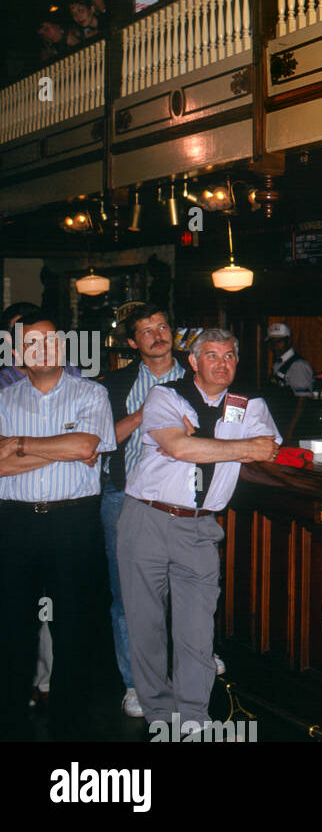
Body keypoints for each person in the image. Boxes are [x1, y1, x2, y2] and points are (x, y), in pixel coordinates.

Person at [117, 326, 279, 730]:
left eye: (229, 356)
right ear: (193, 361)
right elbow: (179, 447)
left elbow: (269, 449)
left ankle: (193, 715)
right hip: (147, 518)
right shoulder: (165, 395)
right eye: (212, 355)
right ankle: (158, 712)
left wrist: (206, 442)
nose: (222, 364)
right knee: (145, 623)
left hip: (201, 527)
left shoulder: (249, 403)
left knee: (197, 628)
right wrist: (239, 447)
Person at [0, 312, 116, 740]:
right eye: (32, 343)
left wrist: (21, 446)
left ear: (63, 347)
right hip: (13, 524)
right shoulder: (4, 400)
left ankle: (71, 725)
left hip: (74, 522)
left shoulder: (92, 394)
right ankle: (10, 720)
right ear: (16, 353)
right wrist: (62, 449)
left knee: (75, 628)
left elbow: (87, 445)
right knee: (12, 627)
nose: (43, 348)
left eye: (50, 341)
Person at [102, 303, 187, 719]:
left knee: (185, 591)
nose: (158, 334)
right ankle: (136, 683)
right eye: (147, 330)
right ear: (133, 343)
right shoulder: (115, 385)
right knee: (127, 598)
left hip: (183, 500)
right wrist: (147, 412)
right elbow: (103, 442)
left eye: (163, 326)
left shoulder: (196, 378)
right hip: (124, 497)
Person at [267, 321, 315, 396]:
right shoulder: (278, 363)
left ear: (289, 341)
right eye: (272, 342)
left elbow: (303, 400)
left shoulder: (299, 366)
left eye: (279, 341)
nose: (275, 345)